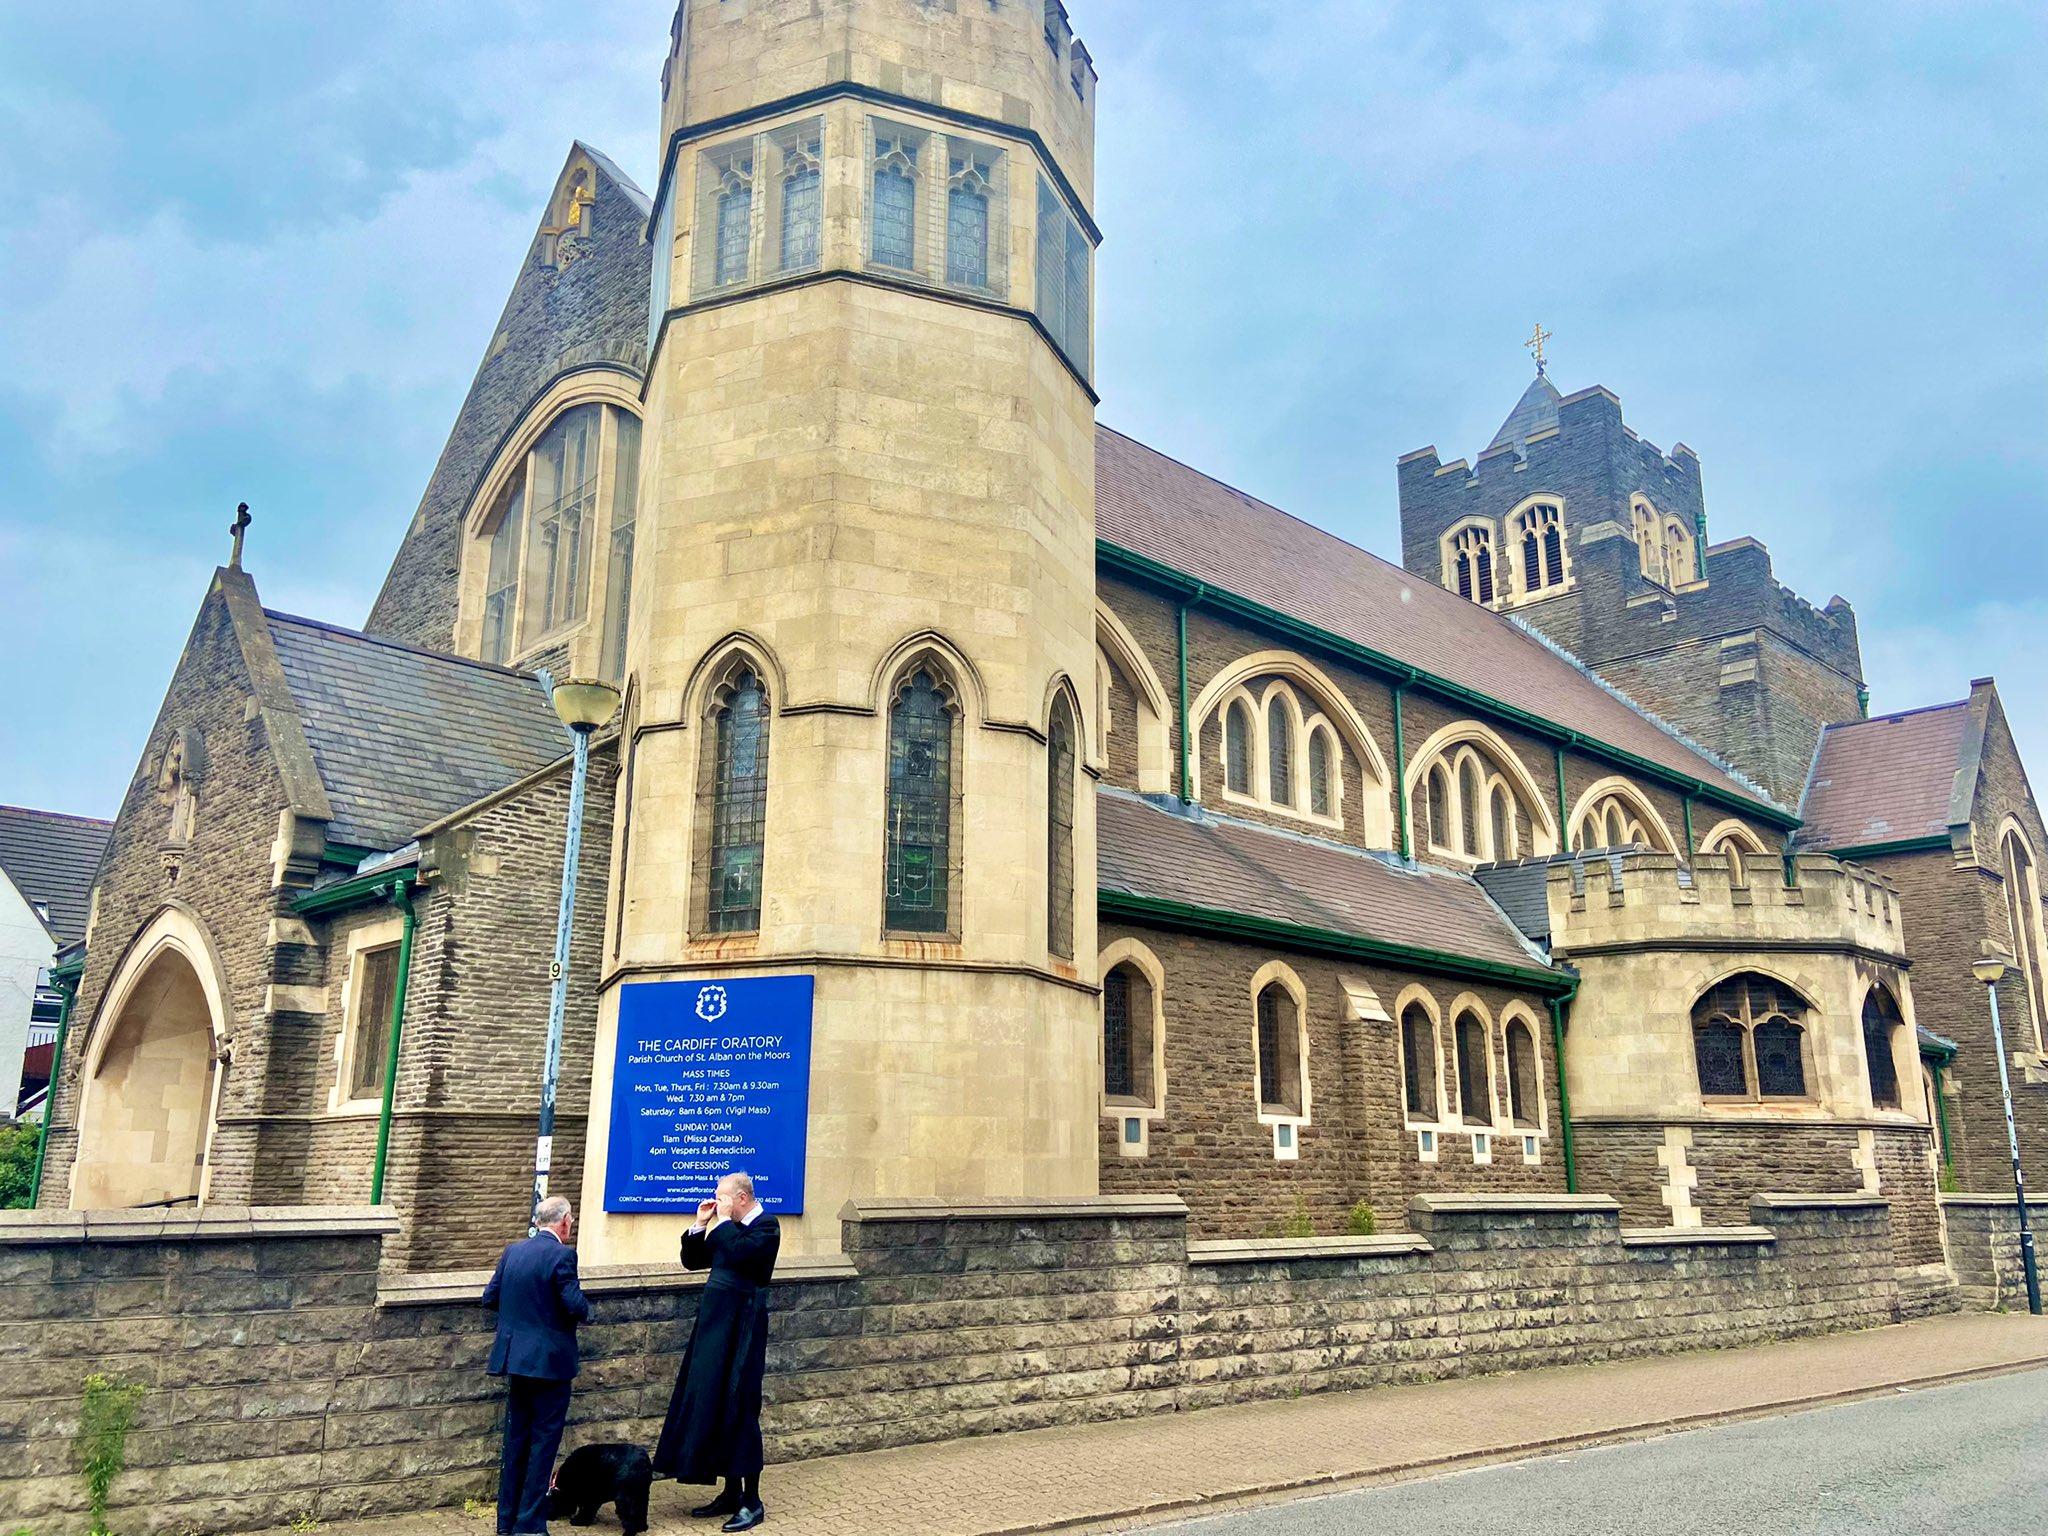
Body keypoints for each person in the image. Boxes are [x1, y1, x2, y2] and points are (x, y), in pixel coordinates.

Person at [653, 1170, 782, 1531]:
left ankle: (752, 1501)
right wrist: (699, 1224)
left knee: (740, 1405)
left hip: (743, 1326)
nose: (718, 1203)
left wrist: (723, 1221)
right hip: (714, 1328)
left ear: (742, 1198)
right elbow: (694, 1260)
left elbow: (742, 1255)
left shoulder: (766, 1226)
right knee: (711, 1399)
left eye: (723, 1197)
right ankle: (729, 1492)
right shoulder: (726, 1227)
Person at [482, 1194, 591, 1536]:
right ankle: (529, 1524)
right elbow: (573, 1304)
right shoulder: (562, 1255)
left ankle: (507, 1521)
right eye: (570, 1220)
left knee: (516, 1441)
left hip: (516, 1361)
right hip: (549, 1364)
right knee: (544, 1444)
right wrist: (587, 1309)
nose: (570, 1225)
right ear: (563, 1221)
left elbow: (490, 1298)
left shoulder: (513, 1251)